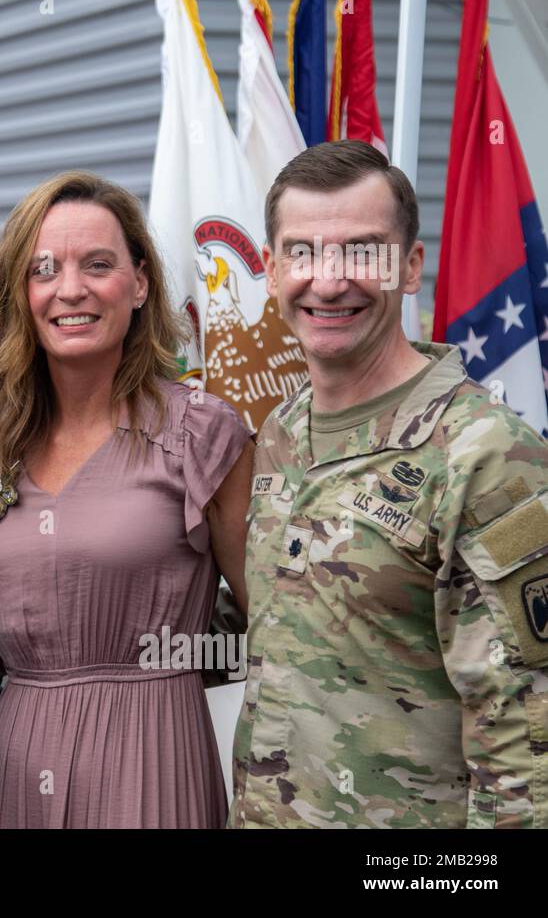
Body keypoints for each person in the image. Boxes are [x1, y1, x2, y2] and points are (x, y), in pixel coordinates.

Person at [232, 140, 548, 828]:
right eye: (303, 252)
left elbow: (525, 735)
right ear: (272, 269)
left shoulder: (488, 456)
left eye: (362, 252)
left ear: (409, 267)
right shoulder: (281, 434)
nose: (329, 280)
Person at [0, 171, 254, 829]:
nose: (71, 289)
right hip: (12, 764)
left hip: (151, 760)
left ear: (140, 283)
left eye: (98, 265)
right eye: (44, 269)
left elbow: (277, 623)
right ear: (21, 292)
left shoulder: (206, 431)